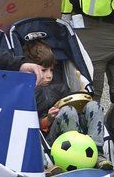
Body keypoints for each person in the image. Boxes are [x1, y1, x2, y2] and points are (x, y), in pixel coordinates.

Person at [24, 40, 112, 171]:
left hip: (77, 131)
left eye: (51, 70)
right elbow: (32, 124)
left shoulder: (61, 87)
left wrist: (82, 98)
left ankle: (97, 153)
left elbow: (75, 105)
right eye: (44, 70)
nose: (49, 75)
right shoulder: (30, 92)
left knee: (94, 106)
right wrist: (48, 119)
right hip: (52, 139)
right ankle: (71, 157)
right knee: (67, 111)